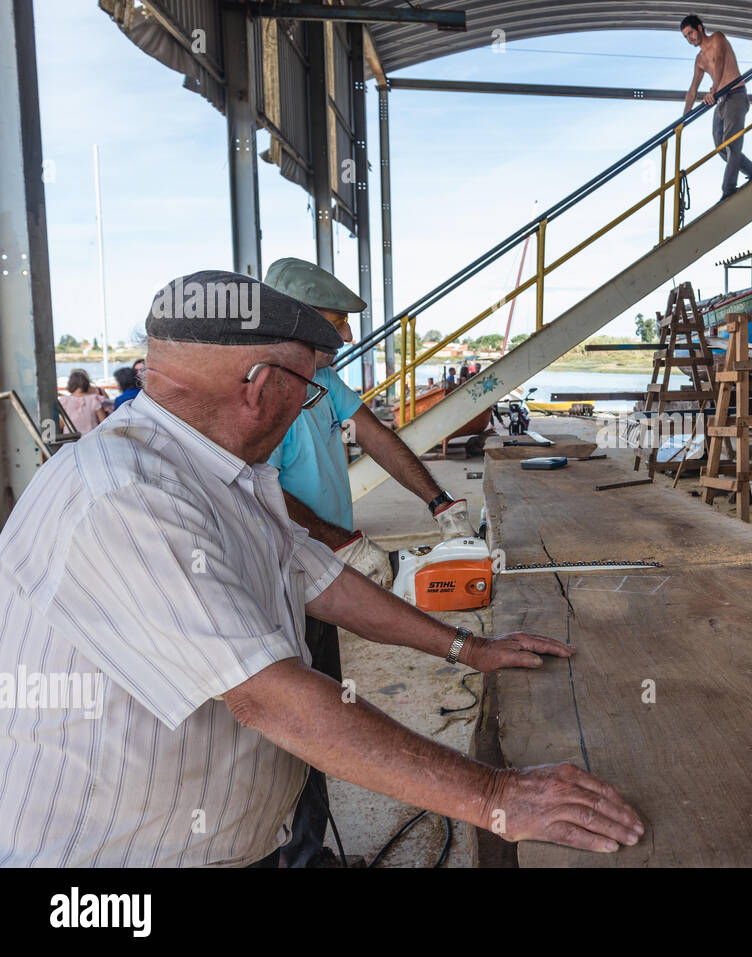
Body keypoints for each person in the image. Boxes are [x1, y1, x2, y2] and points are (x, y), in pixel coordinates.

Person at [0, 269, 643, 867]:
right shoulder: (124, 494)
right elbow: (266, 697)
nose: (311, 407)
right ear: (259, 385)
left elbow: (321, 580)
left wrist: (467, 649)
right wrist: (495, 796)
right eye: (307, 389)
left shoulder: (221, 474)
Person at [262, 257, 473, 865]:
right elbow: (261, 484)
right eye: (336, 322)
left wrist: (439, 500)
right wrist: (340, 541)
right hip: (282, 576)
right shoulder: (265, 391)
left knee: (321, 703)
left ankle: (310, 854)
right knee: (296, 719)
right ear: (298, 320)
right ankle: (298, 858)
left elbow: (374, 436)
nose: (350, 336)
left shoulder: (325, 384)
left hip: (319, 573)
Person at [681, 14, 752, 199]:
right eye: (685, 36)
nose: (689, 38)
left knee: (731, 144)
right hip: (721, 100)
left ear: (700, 28)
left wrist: (714, 89)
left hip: (736, 95)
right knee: (720, 146)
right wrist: (684, 118)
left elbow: (719, 62)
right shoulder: (699, 60)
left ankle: (728, 190)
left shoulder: (718, 38)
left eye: (690, 33)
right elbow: (692, 89)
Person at [58, 368, 113, 433]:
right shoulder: (94, 399)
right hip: (91, 438)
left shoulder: (64, 400)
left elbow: (61, 425)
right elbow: (103, 422)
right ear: (87, 383)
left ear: (70, 384)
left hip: (70, 439)